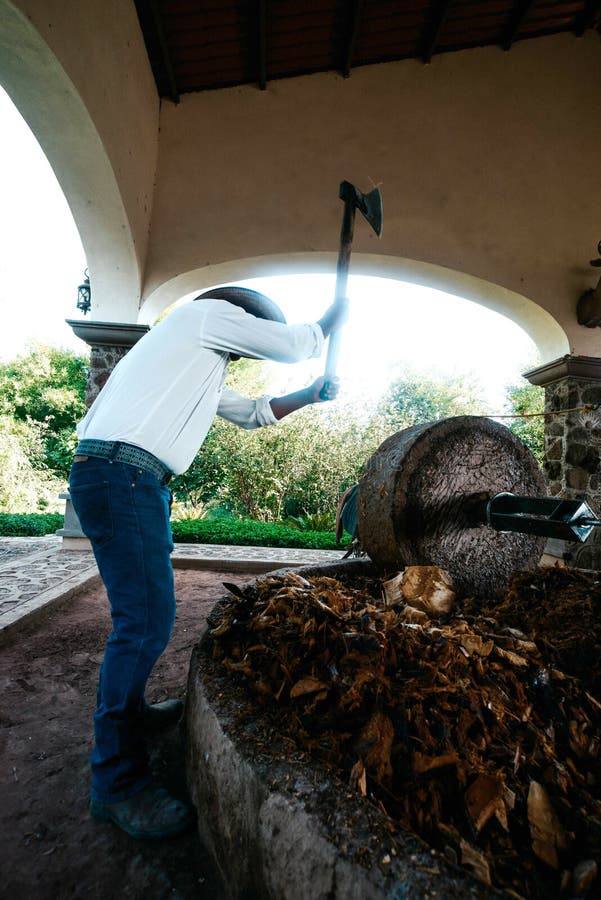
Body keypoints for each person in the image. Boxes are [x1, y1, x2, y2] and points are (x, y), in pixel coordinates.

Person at [68, 285, 345, 841]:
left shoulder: (190, 360)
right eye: (248, 339)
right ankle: (116, 783)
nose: (243, 352)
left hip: (123, 477)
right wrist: (335, 316)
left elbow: (254, 413)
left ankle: (133, 714)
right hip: (125, 475)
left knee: (143, 618)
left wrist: (310, 395)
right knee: (144, 624)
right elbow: (297, 344)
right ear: (239, 314)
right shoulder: (203, 314)